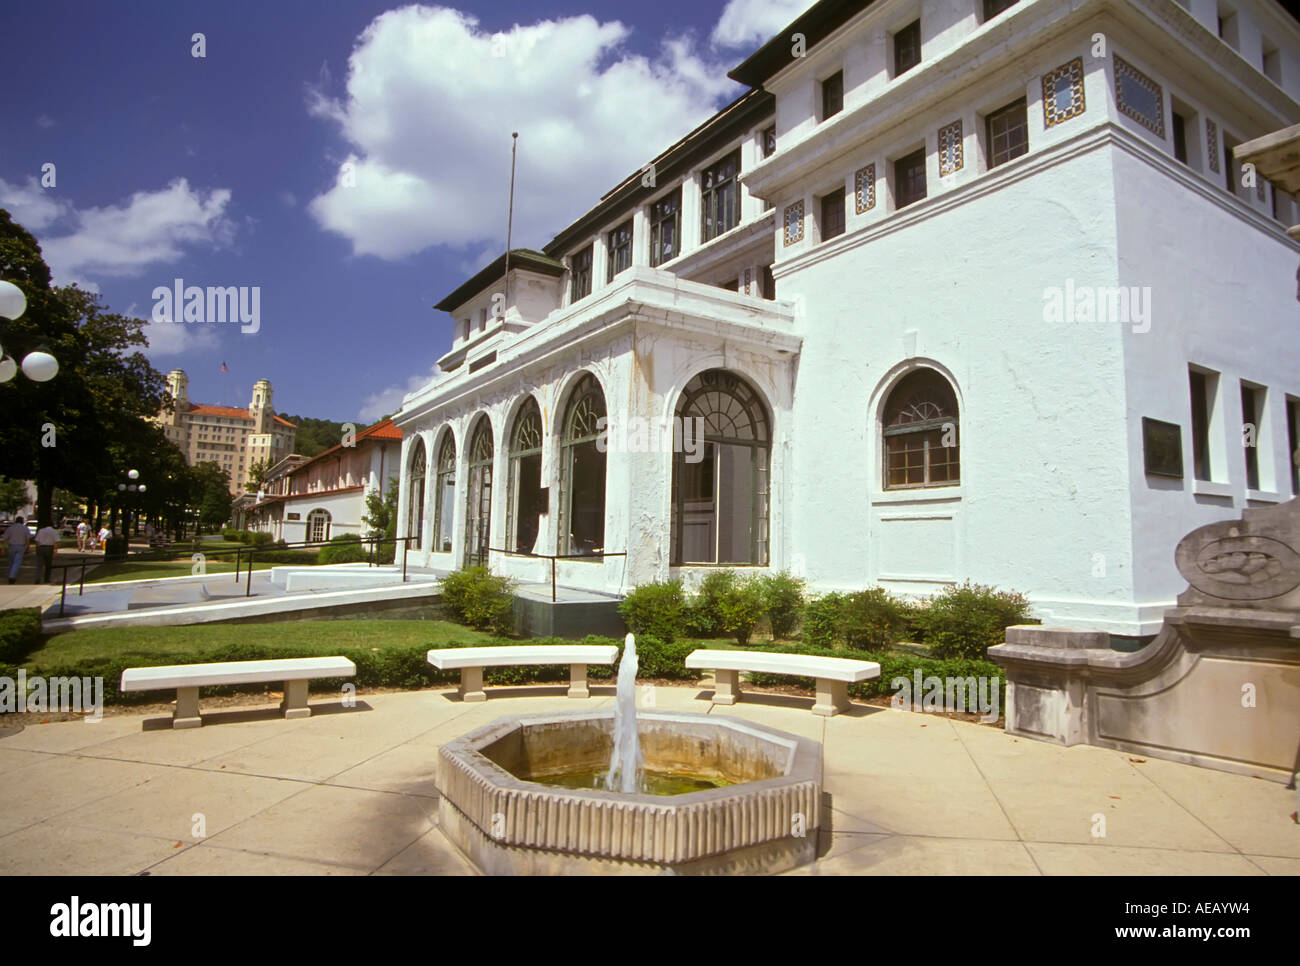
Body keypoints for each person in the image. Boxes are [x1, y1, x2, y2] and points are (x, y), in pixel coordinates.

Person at [2, 515, 32, 584]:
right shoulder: (25, 528)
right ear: (22, 521)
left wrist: (3, 548)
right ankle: (12, 576)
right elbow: (27, 539)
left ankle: (11, 574)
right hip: (21, 547)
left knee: (11, 562)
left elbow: (5, 539)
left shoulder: (10, 528)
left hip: (11, 546)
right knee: (17, 562)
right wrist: (28, 547)